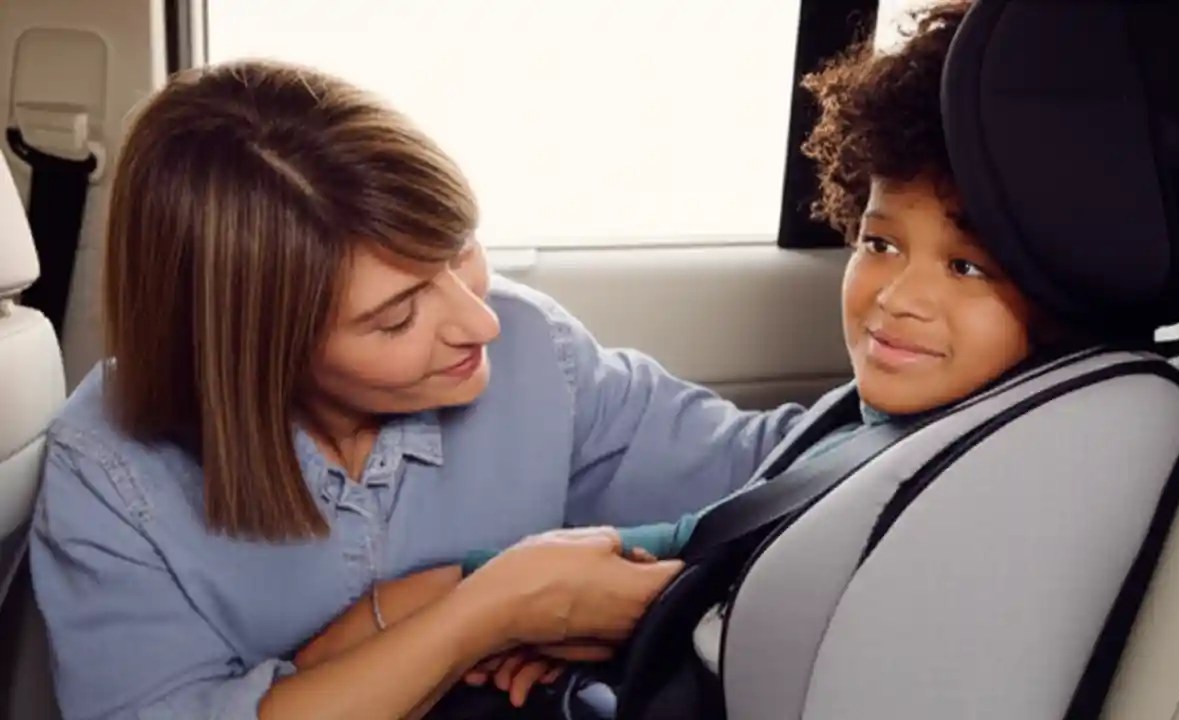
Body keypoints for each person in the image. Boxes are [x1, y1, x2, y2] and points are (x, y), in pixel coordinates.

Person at [294, 2, 1069, 709]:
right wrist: (487, 601)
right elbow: (713, 528)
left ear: (1060, 278)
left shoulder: (1011, 472)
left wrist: (488, 605)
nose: (899, 295)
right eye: (879, 243)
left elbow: (707, 561)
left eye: (966, 267)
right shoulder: (854, 434)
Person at [26, 60, 808, 720]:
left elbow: (778, 471)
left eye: (460, 249)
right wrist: (483, 608)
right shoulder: (110, 472)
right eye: (397, 317)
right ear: (255, 354)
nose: (480, 322)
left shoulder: (535, 347)